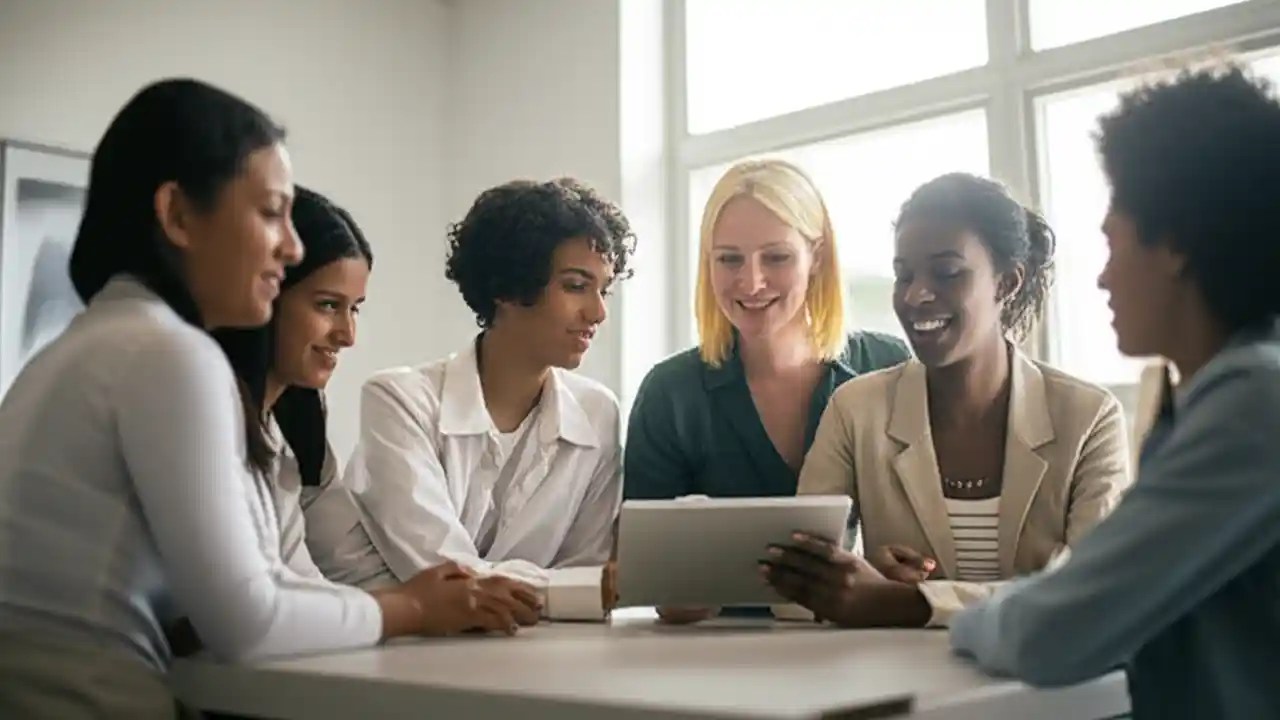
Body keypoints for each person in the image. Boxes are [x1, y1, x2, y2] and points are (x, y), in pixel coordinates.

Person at [0, 79, 524, 718]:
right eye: (271, 212)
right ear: (179, 216)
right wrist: (411, 607)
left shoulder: (87, 346)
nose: (293, 246)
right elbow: (248, 620)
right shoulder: (167, 353)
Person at [946, 65, 1280, 719]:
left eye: (1112, 242)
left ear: (1176, 244)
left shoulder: (1253, 407)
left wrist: (978, 615)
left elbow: (1051, 631)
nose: (1101, 278)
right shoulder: (1225, 393)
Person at [763, 172, 1131, 628]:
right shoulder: (856, 409)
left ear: (1007, 282)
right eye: (904, 275)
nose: (916, 294)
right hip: (906, 689)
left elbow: (1098, 591)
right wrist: (865, 577)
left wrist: (910, 602)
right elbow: (788, 592)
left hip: (1046, 691)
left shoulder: (1089, 419)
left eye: (948, 273)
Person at [623, 158, 910, 623]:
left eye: (776, 257)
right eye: (729, 259)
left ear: (817, 256)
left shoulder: (887, 367)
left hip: (857, 640)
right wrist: (676, 591)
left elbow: (917, 533)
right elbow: (655, 587)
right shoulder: (669, 394)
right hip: (717, 660)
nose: (751, 282)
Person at [347, 178, 635, 621]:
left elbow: (590, 578)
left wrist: (579, 590)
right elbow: (448, 578)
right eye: (576, 286)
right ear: (508, 285)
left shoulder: (598, 413)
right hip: (400, 660)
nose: (598, 312)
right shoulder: (399, 401)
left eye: (604, 289)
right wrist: (569, 590)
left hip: (537, 658)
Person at [214, 185, 395, 590]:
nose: (347, 335)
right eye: (328, 305)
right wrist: (412, 609)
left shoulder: (297, 413)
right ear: (267, 293)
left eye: (355, 308)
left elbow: (348, 565)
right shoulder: (207, 412)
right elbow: (262, 599)